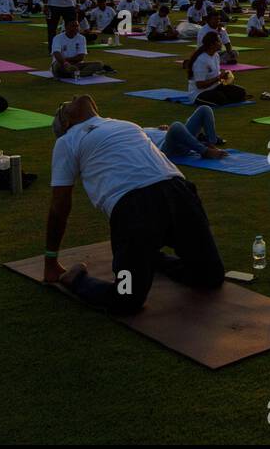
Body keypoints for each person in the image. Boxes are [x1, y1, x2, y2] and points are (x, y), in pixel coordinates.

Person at [45, 95, 225, 315]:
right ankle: (77, 279)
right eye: (65, 104)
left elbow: (165, 138)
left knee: (210, 276)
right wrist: (51, 259)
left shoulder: (123, 124)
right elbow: (59, 205)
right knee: (126, 297)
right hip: (135, 211)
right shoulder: (68, 141)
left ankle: (154, 259)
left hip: (180, 195)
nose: (72, 98)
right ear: (66, 122)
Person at [186, 34, 249, 106]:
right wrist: (218, 78)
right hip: (199, 93)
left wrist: (224, 76)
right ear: (212, 45)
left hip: (215, 87)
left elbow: (216, 74)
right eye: (219, 41)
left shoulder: (216, 55)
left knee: (241, 92)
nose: (221, 43)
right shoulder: (201, 60)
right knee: (220, 98)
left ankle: (226, 98)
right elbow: (200, 85)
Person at [146, 105, 227, 160]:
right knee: (176, 125)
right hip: (167, 148)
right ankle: (205, 151)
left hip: (176, 137)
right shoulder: (136, 135)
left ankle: (211, 144)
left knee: (205, 109)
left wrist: (159, 128)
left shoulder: (140, 129)